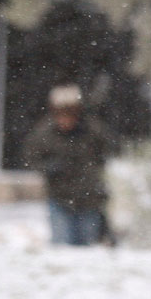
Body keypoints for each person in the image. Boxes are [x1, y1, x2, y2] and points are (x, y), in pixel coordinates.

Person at [24, 84, 114, 246]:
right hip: (60, 199)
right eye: (61, 113)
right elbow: (32, 159)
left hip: (89, 200)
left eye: (70, 112)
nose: (66, 118)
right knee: (62, 246)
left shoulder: (93, 131)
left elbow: (108, 152)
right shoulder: (44, 133)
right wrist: (48, 167)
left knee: (87, 247)